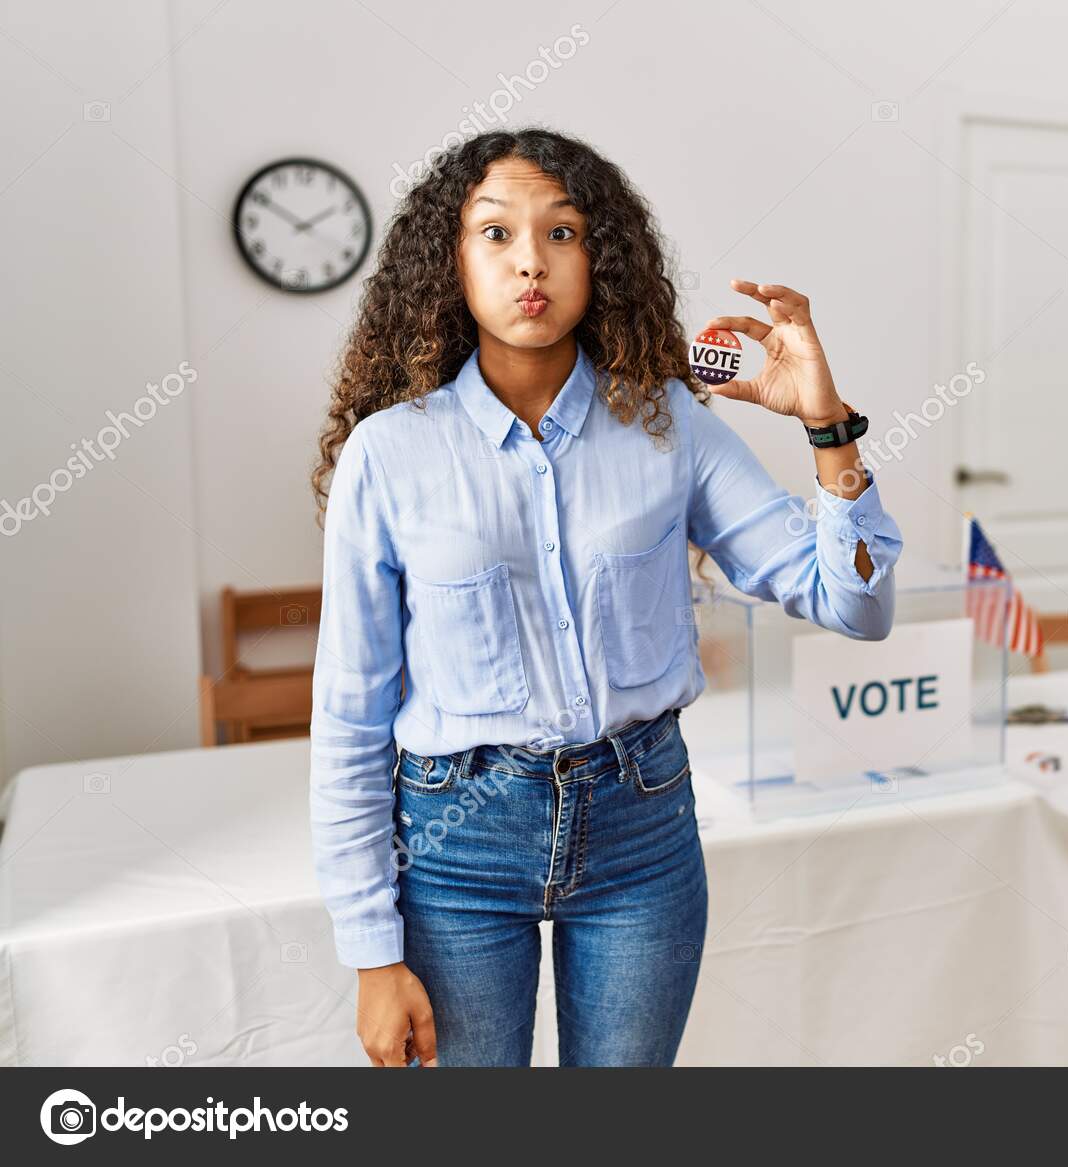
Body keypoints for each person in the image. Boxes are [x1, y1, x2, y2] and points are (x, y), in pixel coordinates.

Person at [307, 127, 903, 1067]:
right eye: (496, 233)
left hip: (641, 832)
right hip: (456, 848)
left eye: (564, 232)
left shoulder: (672, 426)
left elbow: (856, 605)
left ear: (602, 259)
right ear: (449, 261)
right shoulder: (390, 452)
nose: (530, 262)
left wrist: (828, 426)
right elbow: (350, 712)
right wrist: (371, 951)